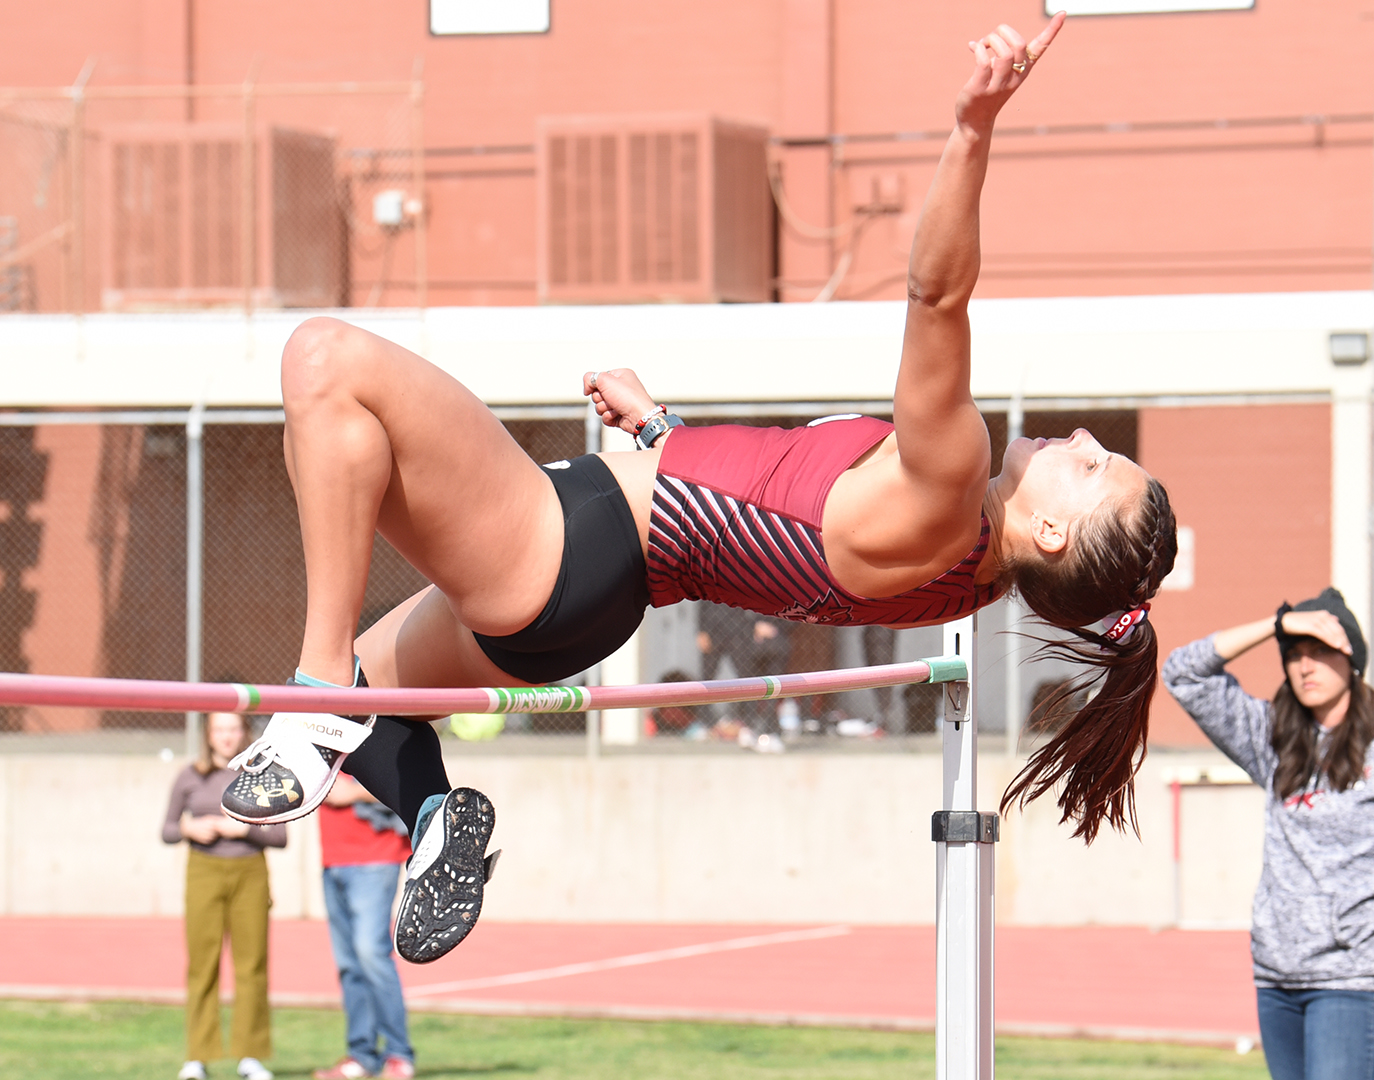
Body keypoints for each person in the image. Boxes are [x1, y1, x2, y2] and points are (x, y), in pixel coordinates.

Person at [218, 10, 1178, 966]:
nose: (1085, 438)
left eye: (1094, 467)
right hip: (593, 589)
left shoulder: (953, 483)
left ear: (1050, 529)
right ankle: (433, 809)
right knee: (372, 671)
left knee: (324, 360)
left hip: (572, 542)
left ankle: (312, 703)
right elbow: (771, 518)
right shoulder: (964, 574)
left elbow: (937, 297)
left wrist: (973, 128)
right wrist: (658, 432)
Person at [1162, 589, 1374, 1080]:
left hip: (1351, 983)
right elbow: (1183, 673)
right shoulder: (1272, 742)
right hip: (1276, 978)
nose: (1305, 666)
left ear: (1352, 661)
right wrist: (1277, 624)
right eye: (1294, 655)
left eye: (1321, 652)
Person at [162, 711, 286, 1080]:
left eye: (233, 728)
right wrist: (189, 827)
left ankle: (251, 1056)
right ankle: (197, 1056)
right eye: (220, 729)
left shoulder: (260, 774)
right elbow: (167, 830)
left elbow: (279, 837)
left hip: (250, 873)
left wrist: (241, 831)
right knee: (202, 965)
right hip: (203, 872)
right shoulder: (190, 776)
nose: (227, 736)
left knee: (252, 966)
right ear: (209, 734)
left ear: (244, 732)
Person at [313, 773, 415, 1080]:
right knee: (349, 963)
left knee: (371, 954)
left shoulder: (380, 727)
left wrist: (354, 793)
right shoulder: (320, 730)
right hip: (333, 858)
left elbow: (409, 783)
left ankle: (399, 1055)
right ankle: (362, 1055)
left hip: (376, 856)